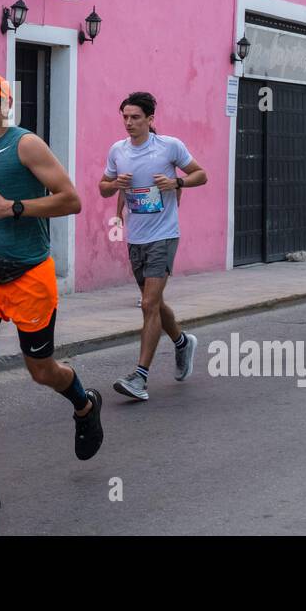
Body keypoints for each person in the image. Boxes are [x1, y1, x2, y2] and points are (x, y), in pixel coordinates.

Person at [0, 70, 103, 510]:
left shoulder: (26, 144)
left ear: (2, 106)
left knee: (41, 370)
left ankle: (85, 404)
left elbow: (71, 199)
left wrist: (14, 208)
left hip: (30, 278)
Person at [99, 91, 207, 401]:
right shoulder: (117, 151)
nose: (129, 123)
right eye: (125, 117)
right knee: (154, 303)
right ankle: (183, 342)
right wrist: (115, 189)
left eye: (135, 117)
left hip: (164, 234)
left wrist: (177, 183)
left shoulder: (169, 147)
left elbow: (201, 174)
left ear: (150, 119)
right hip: (137, 237)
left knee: (148, 304)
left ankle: (140, 378)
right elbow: (103, 188)